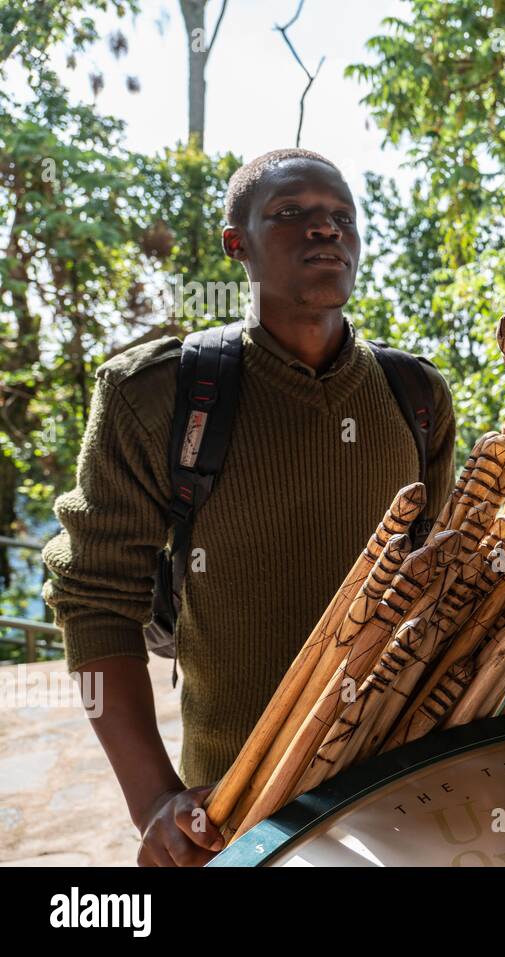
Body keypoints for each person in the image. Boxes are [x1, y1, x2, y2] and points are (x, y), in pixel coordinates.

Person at [42, 149, 456, 866]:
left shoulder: (415, 398)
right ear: (238, 244)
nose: (324, 229)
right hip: (238, 810)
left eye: (340, 217)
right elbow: (93, 601)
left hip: (408, 790)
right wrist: (155, 802)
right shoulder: (158, 396)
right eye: (291, 213)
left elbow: (442, 579)